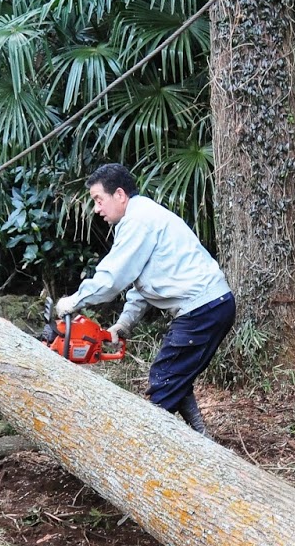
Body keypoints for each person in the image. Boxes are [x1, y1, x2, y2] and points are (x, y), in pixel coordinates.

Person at [56, 163, 236, 435]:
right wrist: (123, 324)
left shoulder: (138, 221)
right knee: (175, 377)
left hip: (203, 308)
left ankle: (150, 446)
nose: (97, 209)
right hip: (209, 305)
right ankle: (203, 439)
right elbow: (140, 284)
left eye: (98, 200)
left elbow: (112, 278)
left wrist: (75, 301)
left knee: (163, 383)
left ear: (119, 194)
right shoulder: (141, 216)